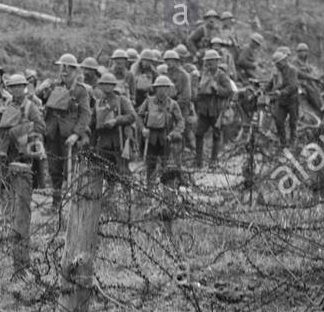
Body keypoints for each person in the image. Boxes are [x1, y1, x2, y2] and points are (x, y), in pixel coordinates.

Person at [0, 73, 45, 258]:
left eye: (19, 86)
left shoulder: (31, 107)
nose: (16, 90)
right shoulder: (4, 106)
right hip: (1, 157)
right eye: (12, 87)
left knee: (18, 201)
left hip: (21, 159)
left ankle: (14, 237)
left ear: (25, 87)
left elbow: (41, 127)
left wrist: (19, 130)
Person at [36, 52, 91, 213]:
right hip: (52, 134)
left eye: (69, 68)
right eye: (62, 67)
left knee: (72, 171)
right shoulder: (52, 86)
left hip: (69, 137)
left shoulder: (81, 91)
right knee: (54, 170)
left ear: (75, 71)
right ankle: (56, 204)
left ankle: (75, 206)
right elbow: (39, 101)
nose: (65, 71)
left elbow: (86, 114)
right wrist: (41, 90)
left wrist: (76, 134)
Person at [137, 74, 186, 217]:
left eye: (165, 88)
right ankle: (149, 192)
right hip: (150, 137)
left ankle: (168, 194)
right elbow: (139, 116)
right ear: (155, 89)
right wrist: (143, 129)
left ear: (169, 89)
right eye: (159, 88)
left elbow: (181, 122)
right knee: (150, 165)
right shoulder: (148, 101)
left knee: (167, 167)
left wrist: (174, 133)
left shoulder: (173, 104)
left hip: (166, 138)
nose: (162, 90)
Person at [90, 71, 134, 206]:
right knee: (106, 170)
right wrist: (91, 144)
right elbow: (92, 124)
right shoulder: (98, 103)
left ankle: (128, 198)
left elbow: (132, 116)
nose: (106, 87)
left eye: (109, 85)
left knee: (123, 170)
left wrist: (116, 121)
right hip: (103, 142)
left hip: (118, 141)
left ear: (113, 86)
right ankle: (109, 196)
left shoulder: (122, 100)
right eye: (104, 84)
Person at [193, 48, 234, 168]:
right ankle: (198, 161)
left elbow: (229, 91)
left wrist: (217, 89)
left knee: (216, 136)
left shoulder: (221, 75)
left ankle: (214, 161)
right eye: (207, 61)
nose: (209, 63)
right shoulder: (203, 74)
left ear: (217, 61)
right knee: (198, 134)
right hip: (203, 110)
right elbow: (198, 91)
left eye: (211, 61)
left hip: (216, 110)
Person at [268, 48, 299, 146]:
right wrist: (263, 89)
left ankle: (293, 143)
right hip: (282, 101)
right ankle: (283, 143)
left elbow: (292, 86)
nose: (277, 66)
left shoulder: (292, 70)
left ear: (283, 61)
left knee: (293, 123)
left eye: (278, 63)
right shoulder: (278, 72)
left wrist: (281, 92)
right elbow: (270, 82)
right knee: (278, 121)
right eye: (276, 64)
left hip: (292, 100)